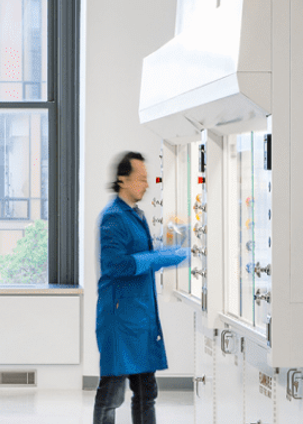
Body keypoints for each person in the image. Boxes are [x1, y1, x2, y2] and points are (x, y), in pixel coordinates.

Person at [93, 151, 189, 424]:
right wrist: (160, 257)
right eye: (142, 179)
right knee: (111, 393)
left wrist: (167, 253)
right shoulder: (113, 217)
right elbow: (117, 265)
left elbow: (140, 258)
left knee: (147, 391)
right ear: (122, 180)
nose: (147, 185)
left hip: (141, 318)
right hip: (120, 320)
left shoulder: (136, 215)